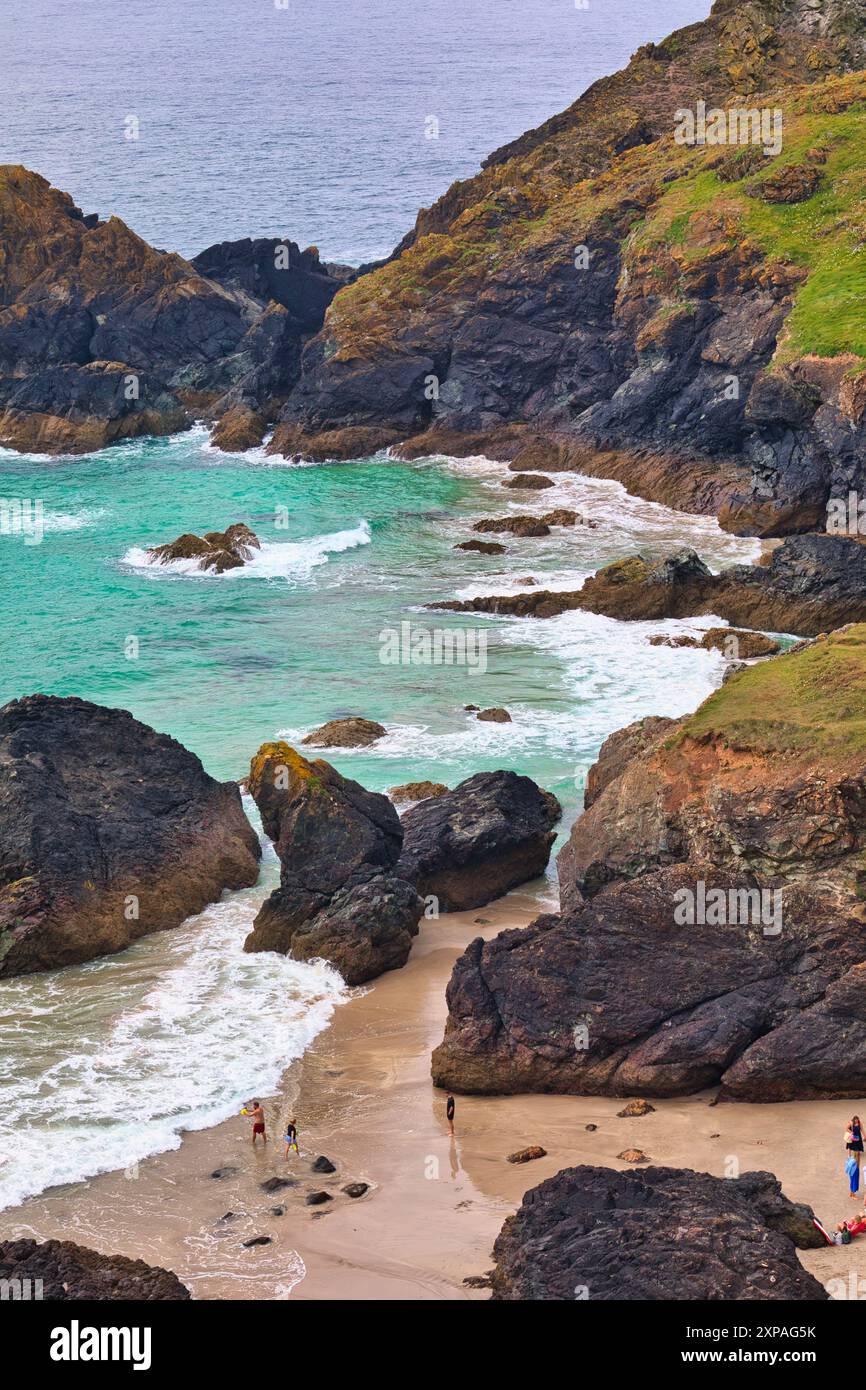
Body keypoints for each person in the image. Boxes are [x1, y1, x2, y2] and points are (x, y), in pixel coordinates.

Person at [847, 1116, 864, 1191]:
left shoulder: (860, 1123)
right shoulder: (851, 1123)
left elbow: (862, 1130)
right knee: (851, 1147)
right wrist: (851, 1132)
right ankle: (852, 1156)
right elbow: (846, 1128)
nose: (857, 1121)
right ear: (854, 1120)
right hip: (854, 1138)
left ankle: (856, 1158)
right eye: (856, 1120)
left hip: (858, 1138)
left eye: (858, 1120)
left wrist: (865, 1136)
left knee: (858, 1151)